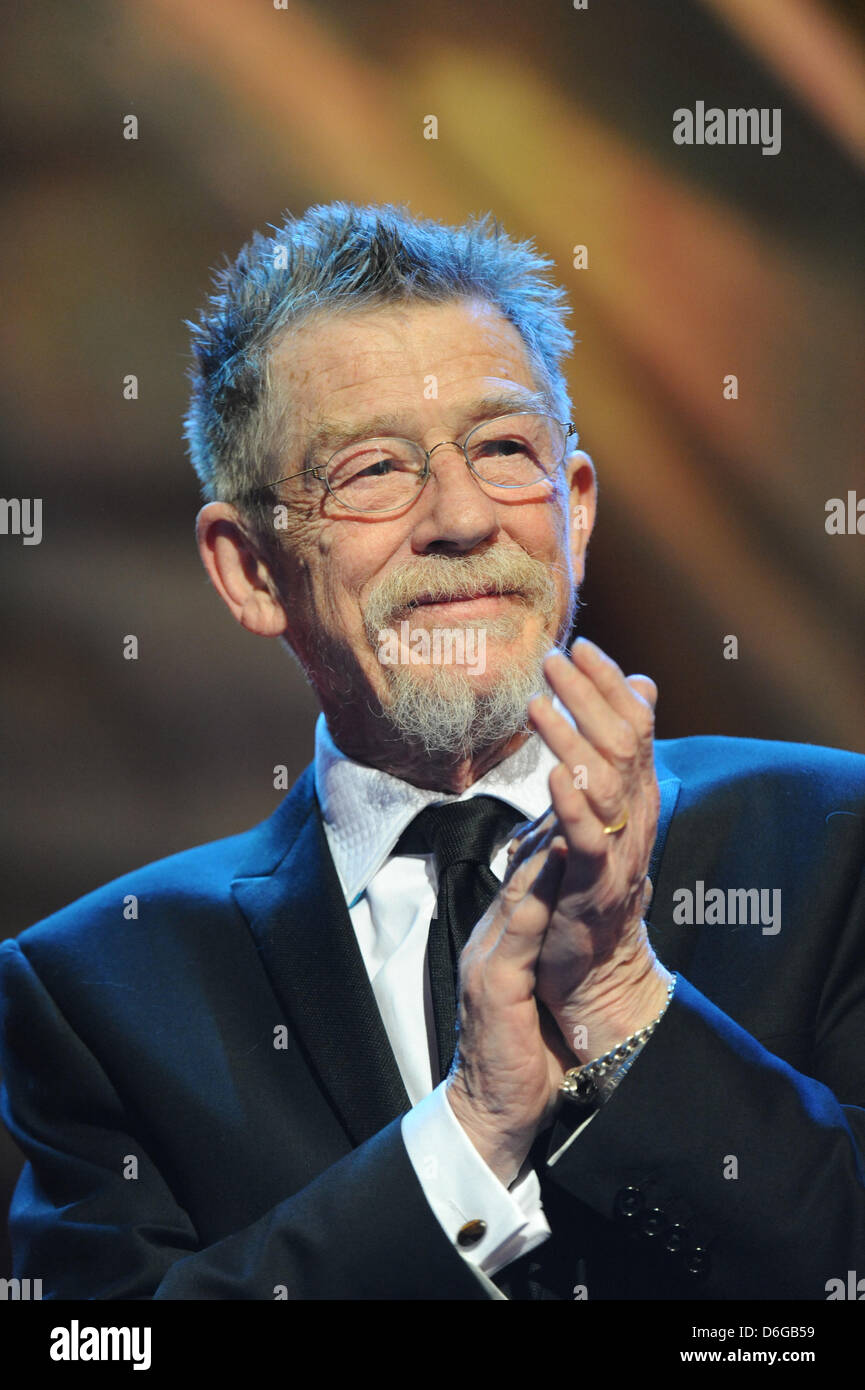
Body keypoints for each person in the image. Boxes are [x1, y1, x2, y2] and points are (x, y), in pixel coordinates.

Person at [1, 203, 863, 1302]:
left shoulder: (832, 846)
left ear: (576, 508)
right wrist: (464, 1140)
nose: (462, 517)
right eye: (370, 471)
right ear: (249, 571)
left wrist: (617, 999)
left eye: (504, 449)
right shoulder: (104, 986)